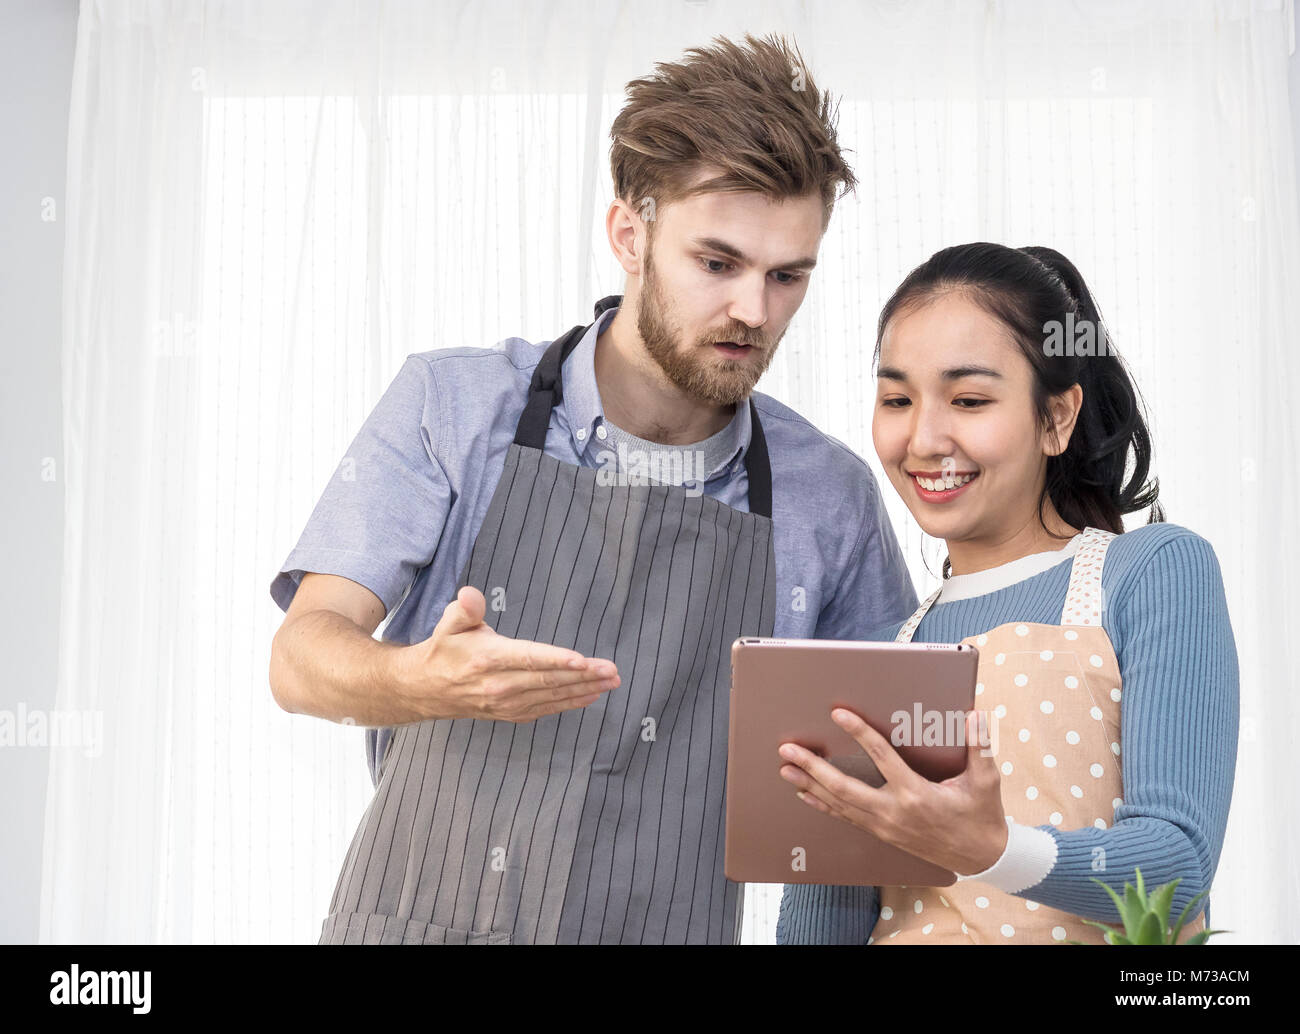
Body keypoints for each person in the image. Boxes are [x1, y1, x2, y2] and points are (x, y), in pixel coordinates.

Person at [267, 33, 918, 945]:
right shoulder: (455, 406)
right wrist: (421, 679)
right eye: (717, 262)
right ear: (630, 234)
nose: (754, 313)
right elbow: (299, 659)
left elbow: (879, 798)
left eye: (788, 276)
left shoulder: (830, 497)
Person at [774, 242, 1239, 944]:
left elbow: (1177, 870)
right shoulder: (882, 651)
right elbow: (818, 929)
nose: (925, 438)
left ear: (1056, 418)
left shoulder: (1151, 572)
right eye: (897, 398)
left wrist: (990, 850)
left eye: (969, 400)